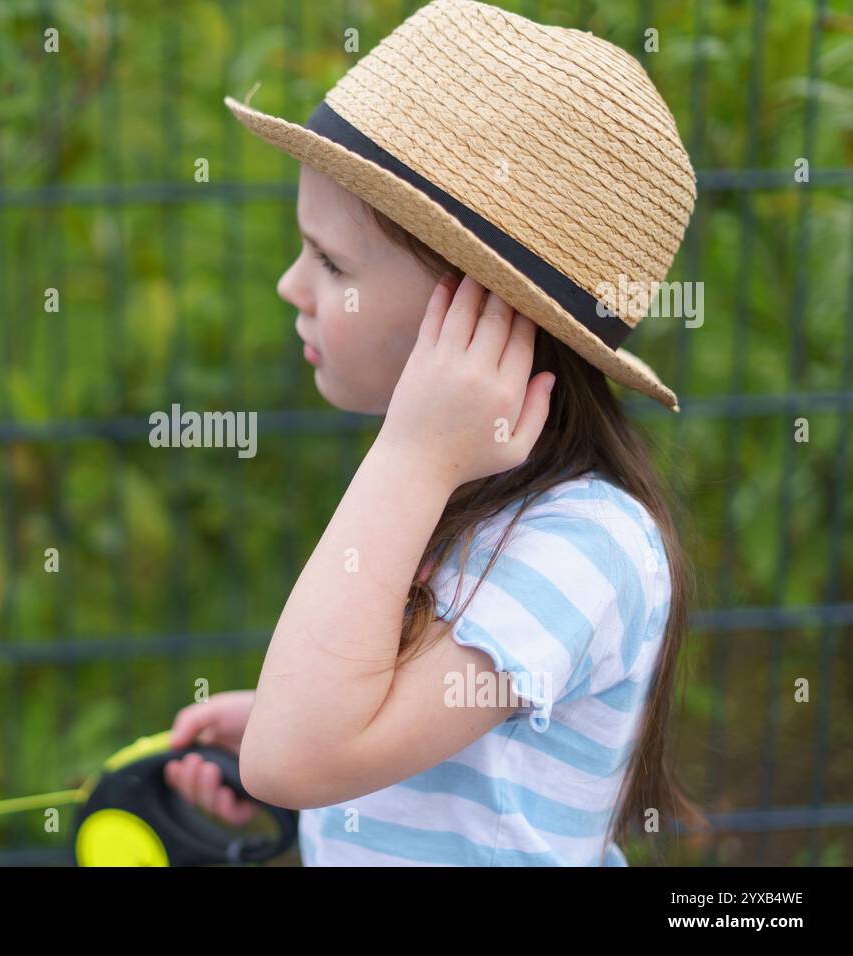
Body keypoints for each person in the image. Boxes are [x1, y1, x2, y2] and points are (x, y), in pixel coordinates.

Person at [165, 0, 706, 865]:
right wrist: (282, 709)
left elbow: (293, 759)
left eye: (331, 261)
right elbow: (324, 734)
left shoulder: (587, 544)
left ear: (486, 317)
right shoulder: (454, 498)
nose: (289, 285)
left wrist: (412, 456)